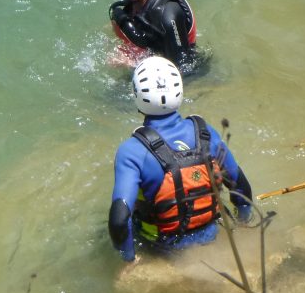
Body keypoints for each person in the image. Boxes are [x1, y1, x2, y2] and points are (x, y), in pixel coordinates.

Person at [108, 56, 253, 263]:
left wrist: (129, 260)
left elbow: (119, 220)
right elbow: (241, 188)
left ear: (136, 95)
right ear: (180, 90)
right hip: (210, 241)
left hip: (159, 251)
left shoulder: (131, 151)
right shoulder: (206, 134)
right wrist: (243, 224)